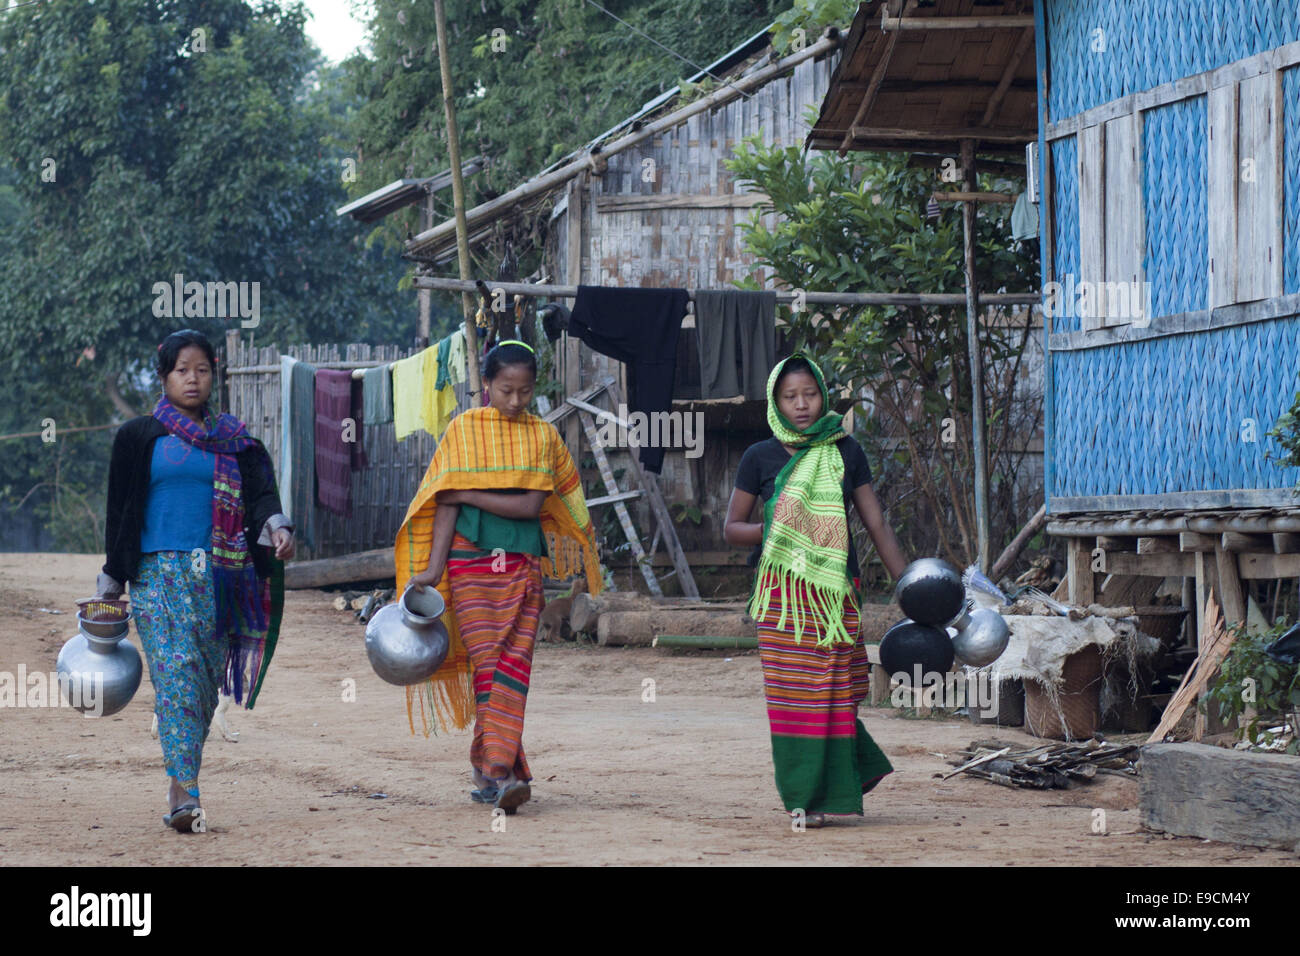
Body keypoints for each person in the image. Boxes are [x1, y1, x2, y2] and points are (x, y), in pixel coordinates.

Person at [95, 329, 294, 832]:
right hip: (155, 574)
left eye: (202, 370)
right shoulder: (138, 436)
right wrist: (111, 578)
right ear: (164, 377)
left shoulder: (238, 441)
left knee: (204, 684)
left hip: (222, 575)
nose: (192, 378)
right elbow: (119, 510)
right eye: (182, 370)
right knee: (176, 676)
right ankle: (186, 793)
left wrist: (277, 526)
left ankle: (182, 777)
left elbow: (262, 498)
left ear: (214, 376)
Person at [395, 340, 603, 815]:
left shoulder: (541, 437)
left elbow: (530, 507)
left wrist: (468, 492)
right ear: (485, 385)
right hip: (468, 564)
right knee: (489, 665)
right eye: (505, 390)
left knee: (512, 669)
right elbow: (443, 502)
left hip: (521, 565)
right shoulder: (462, 431)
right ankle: (502, 772)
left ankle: (487, 766)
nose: (515, 401)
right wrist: (430, 569)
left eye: (525, 391)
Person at [724, 352, 909, 828]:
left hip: (834, 595)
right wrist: (782, 525)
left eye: (809, 394)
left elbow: (876, 522)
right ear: (775, 402)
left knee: (834, 692)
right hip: (783, 601)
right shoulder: (758, 457)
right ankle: (807, 798)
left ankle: (839, 783)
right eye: (790, 397)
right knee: (795, 702)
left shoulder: (846, 450)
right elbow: (731, 528)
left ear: (823, 396)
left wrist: (910, 588)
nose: (802, 405)